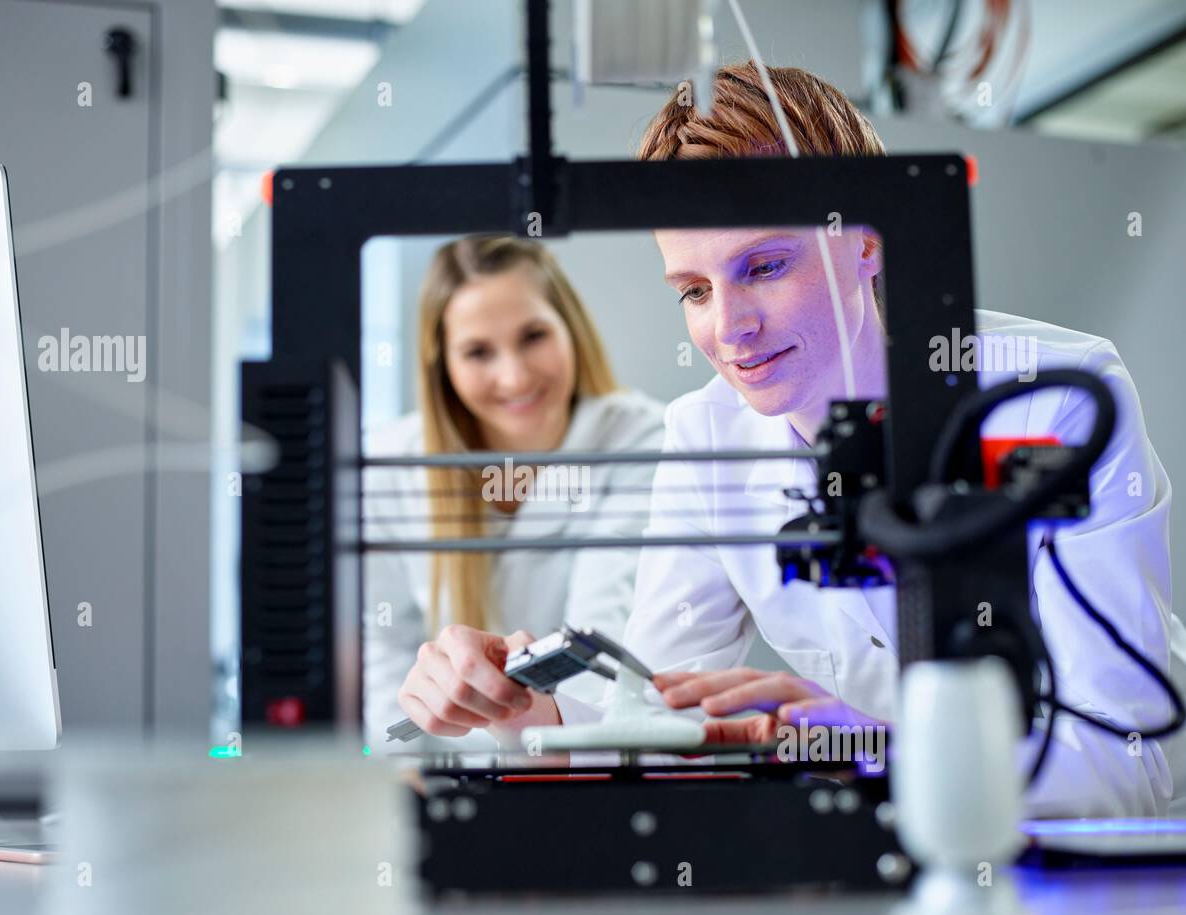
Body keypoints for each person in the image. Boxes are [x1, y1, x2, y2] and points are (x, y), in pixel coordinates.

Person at [392, 64, 1185, 818]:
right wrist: (531, 711)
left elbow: (1138, 756)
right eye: (695, 292)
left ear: (868, 237)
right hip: (879, 879)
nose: (728, 326)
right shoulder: (705, 437)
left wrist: (879, 748)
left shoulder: (1060, 397)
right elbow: (660, 724)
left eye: (765, 265)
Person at [364, 235, 664, 751]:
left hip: (589, 765)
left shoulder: (640, 440)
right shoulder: (392, 465)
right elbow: (381, 656)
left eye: (533, 336)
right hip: (442, 778)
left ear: (570, 329)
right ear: (443, 366)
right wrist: (412, 768)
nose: (515, 375)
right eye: (478, 351)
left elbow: (599, 646)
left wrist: (525, 742)